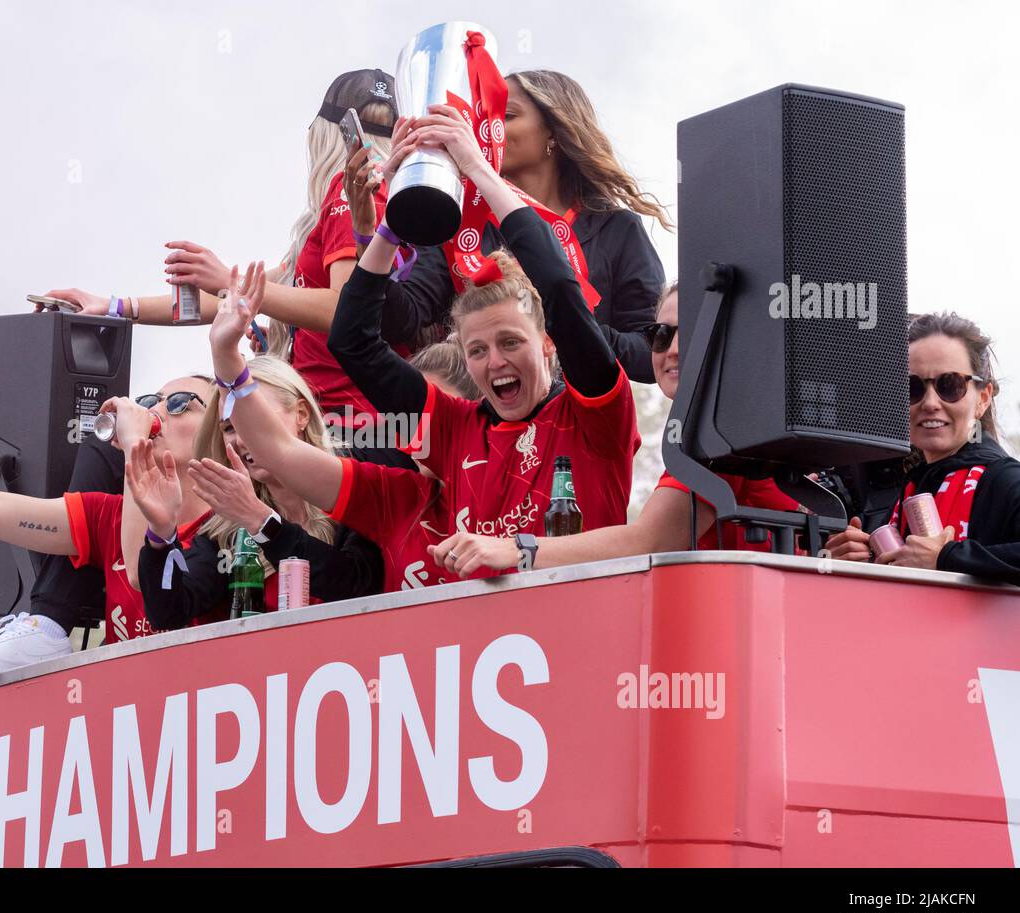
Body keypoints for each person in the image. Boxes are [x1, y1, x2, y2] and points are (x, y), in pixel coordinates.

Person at [328, 106, 641, 582]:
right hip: (491, 649)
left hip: (587, 635)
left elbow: (558, 287)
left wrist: (478, 170)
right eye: (477, 350)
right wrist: (391, 225)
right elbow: (352, 341)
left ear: (549, 344)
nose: (495, 362)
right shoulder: (454, 427)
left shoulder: (595, 416)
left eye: (511, 341)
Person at [40, 70, 407, 430]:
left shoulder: (351, 192)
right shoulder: (385, 197)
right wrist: (117, 308)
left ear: (326, 133)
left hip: (346, 424)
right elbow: (235, 297)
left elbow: (342, 308)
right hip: (345, 417)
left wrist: (228, 285)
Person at [0, 334, 216, 678]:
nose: (154, 412)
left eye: (181, 403)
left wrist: (134, 443)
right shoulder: (108, 516)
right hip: (124, 707)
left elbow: (139, 572)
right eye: (151, 401)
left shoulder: (229, 526)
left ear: (220, 430)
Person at [425, 283, 806, 574]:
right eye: (659, 334)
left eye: (688, 332)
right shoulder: (707, 430)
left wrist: (517, 548)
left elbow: (652, 541)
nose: (670, 349)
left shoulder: (728, 426)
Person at [345, 69, 667, 382]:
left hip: (583, 420)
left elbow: (650, 355)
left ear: (554, 130)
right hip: (490, 423)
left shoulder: (618, 229)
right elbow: (398, 322)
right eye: (486, 117)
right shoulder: (462, 222)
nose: (489, 128)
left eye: (507, 115)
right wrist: (379, 225)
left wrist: (559, 320)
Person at [200, 264, 490, 594]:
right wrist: (225, 356)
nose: (421, 428)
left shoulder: (517, 471)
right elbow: (277, 450)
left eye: (440, 415)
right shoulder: (396, 494)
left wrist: (517, 549)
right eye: (407, 413)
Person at [129, 335, 385, 626]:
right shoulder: (226, 527)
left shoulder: (356, 487)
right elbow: (169, 613)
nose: (242, 438)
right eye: (229, 428)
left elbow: (357, 586)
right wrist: (161, 535)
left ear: (301, 414)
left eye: (256, 420)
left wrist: (263, 523)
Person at [824, 312, 1020, 586]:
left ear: (982, 398)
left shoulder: (1005, 479)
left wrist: (947, 557)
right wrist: (847, 563)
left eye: (950, 385)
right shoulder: (910, 490)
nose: (930, 403)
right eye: (912, 387)